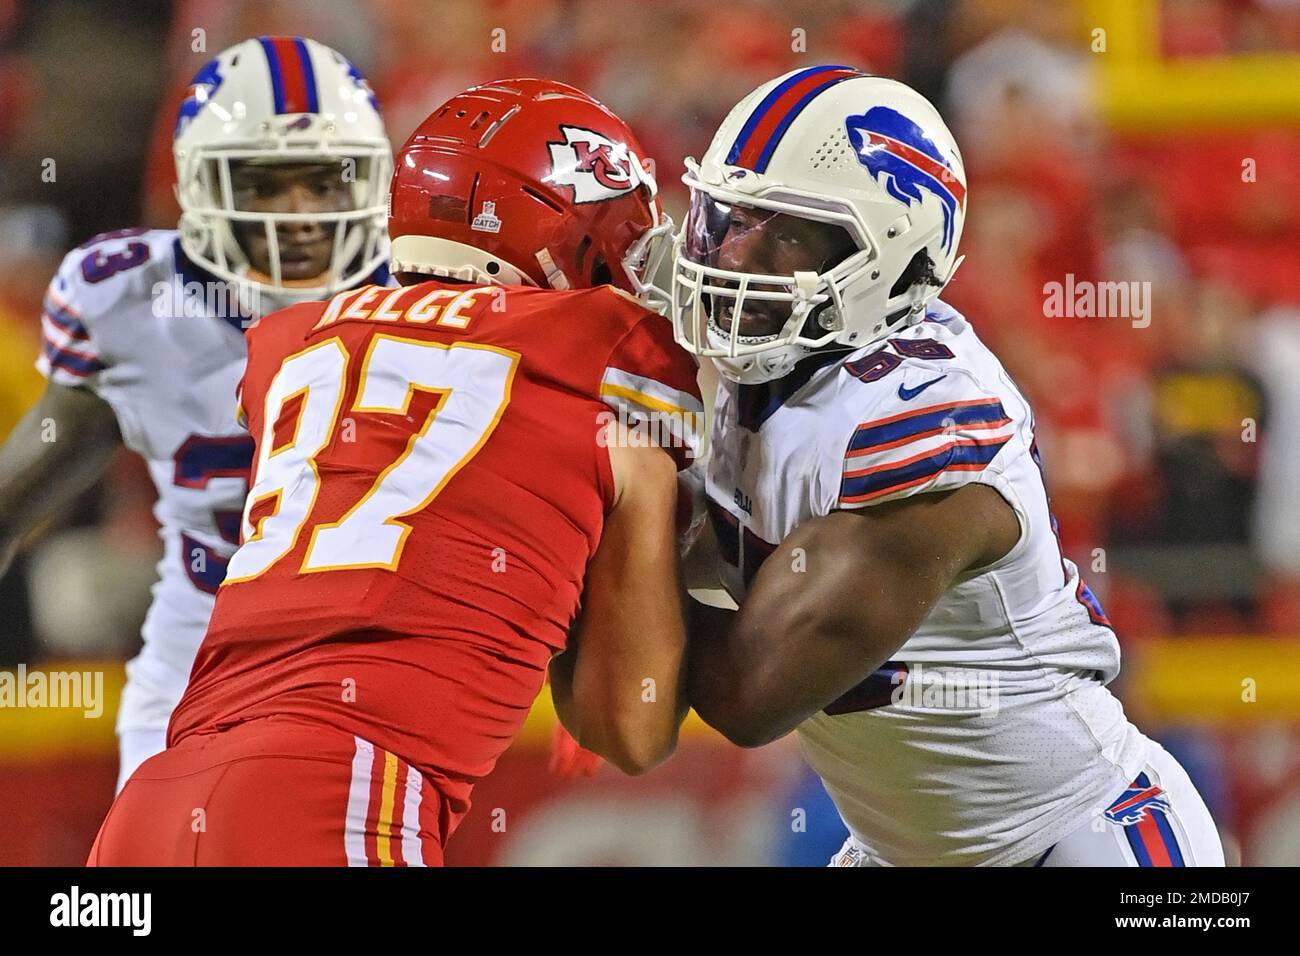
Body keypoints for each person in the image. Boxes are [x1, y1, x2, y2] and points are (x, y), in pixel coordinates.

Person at [88, 78, 703, 866]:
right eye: (621, 244)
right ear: (565, 240)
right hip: (334, 795)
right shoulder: (603, 357)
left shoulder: (298, 341)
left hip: (150, 806)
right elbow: (634, 727)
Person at [674, 66, 1224, 866]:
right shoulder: (778, 355)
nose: (736, 255)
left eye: (786, 231)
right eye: (729, 217)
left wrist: (607, 535)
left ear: (891, 259)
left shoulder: (924, 419)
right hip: (900, 849)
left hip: (1074, 837)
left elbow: (746, 696)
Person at [0, 36, 391, 792]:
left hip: (382, 652)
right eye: (268, 185)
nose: (302, 215)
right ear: (201, 189)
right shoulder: (132, 302)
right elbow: (23, 486)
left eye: (324, 183)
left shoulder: (434, 300)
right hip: (201, 652)